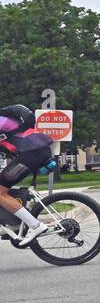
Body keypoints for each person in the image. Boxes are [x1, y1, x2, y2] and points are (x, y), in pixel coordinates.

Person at [0, 104, 58, 247]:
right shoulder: (5, 119)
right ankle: (14, 222)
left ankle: (35, 225)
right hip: (36, 152)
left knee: (0, 192)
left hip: (31, 154)